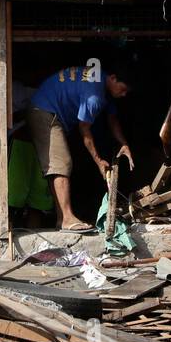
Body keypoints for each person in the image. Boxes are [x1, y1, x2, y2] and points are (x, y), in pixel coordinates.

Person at [28, 61, 134, 232]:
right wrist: (99, 161)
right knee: (62, 163)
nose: (124, 95)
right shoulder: (95, 96)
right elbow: (84, 131)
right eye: (123, 89)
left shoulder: (102, 82)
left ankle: (62, 219)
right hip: (44, 111)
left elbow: (112, 119)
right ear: (113, 78)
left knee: (61, 162)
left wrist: (124, 144)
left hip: (47, 108)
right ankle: (67, 219)